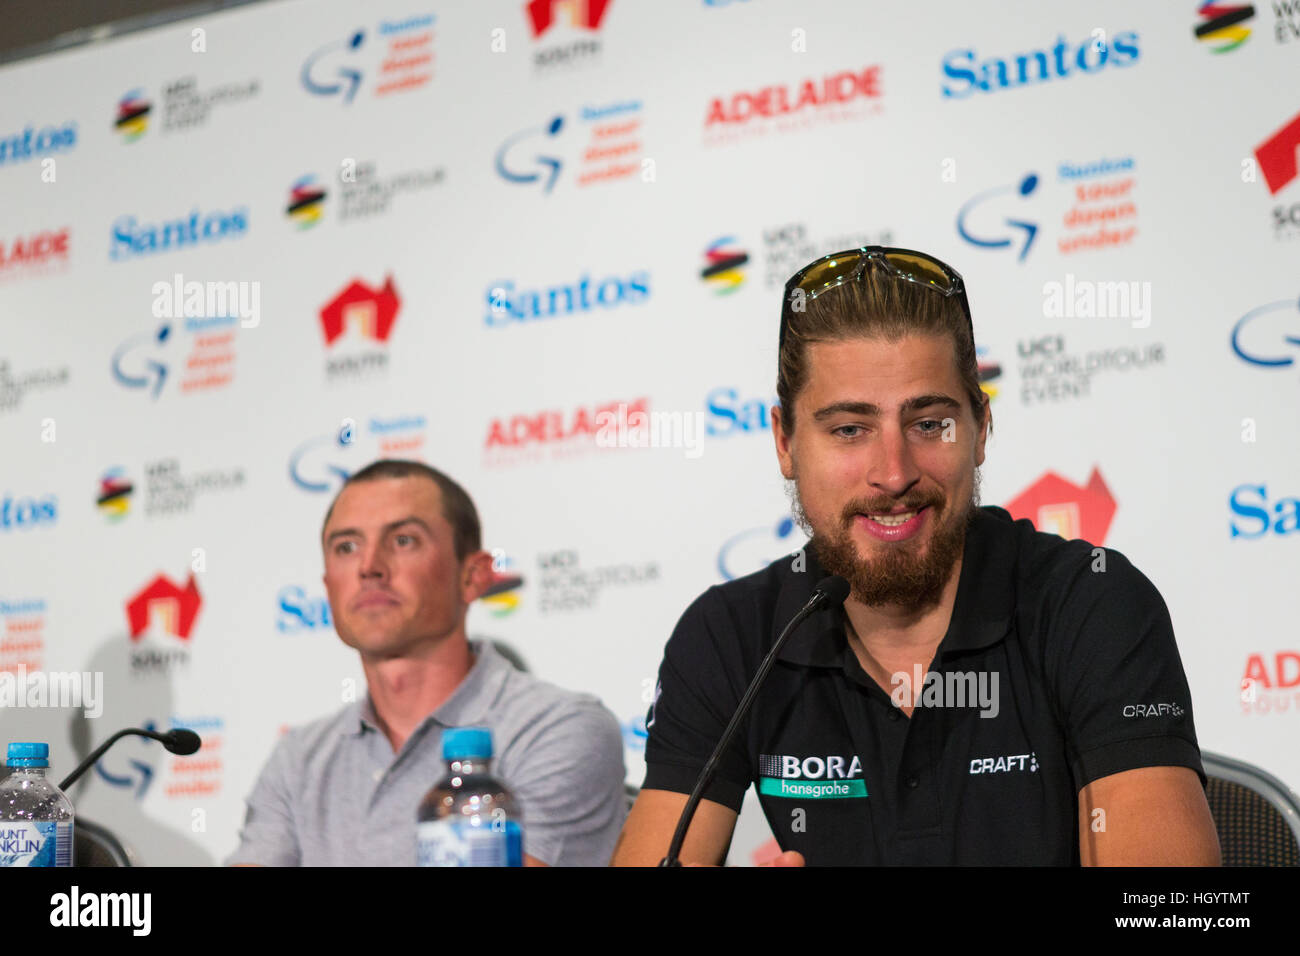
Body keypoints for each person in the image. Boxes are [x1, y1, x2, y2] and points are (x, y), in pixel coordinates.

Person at [612, 246, 1220, 866]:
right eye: (849, 429)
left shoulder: (1092, 603)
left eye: (929, 423)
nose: (894, 473)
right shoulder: (731, 636)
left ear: (980, 428)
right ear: (786, 443)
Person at [227, 459, 626, 866]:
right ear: (328, 585)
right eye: (346, 547)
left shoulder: (557, 728)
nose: (369, 567)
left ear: (472, 576)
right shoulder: (299, 758)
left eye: (403, 540)